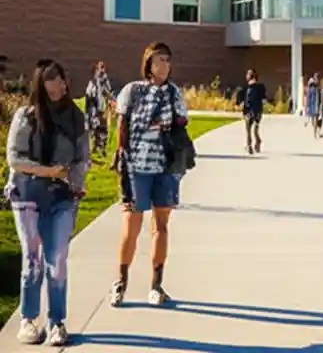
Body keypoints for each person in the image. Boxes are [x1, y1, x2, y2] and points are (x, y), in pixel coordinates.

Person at [5, 61, 89, 346]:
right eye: (49, 80)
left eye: (59, 79)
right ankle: (29, 320)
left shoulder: (76, 117)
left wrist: (76, 181)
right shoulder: (25, 116)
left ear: (66, 82)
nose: (55, 85)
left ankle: (57, 322)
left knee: (58, 261)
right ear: (40, 85)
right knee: (32, 260)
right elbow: (14, 158)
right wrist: (49, 171)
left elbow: (82, 158)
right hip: (27, 195)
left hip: (61, 197)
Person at [109, 42, 192, 308]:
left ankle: (156, 285)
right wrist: (122, 156)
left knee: (161, 226)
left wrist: (162, 125)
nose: (164, 65)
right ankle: (120, 282)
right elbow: (125, 126)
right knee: (130, 228)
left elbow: (179, 122)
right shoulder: (133, 91)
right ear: (148, 64)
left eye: (168, 60)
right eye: (159, 60)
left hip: (165, 167)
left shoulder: (174, 93)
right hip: (137, 167)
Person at [83, 61, 114, 157]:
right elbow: (88, 96)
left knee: (103, 128)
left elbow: (109, 93)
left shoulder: (104, 81)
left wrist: (110, 102)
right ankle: (95, 147)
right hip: (94, 108)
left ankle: (102, 147)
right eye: (99, 68)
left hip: (102, 108)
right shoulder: (92, 82)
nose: (101, 70)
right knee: (95, 127)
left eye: (103, 68)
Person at [237, 68, 267, 154]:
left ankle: (249, 146)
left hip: (248, 111)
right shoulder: (261, 87)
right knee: (255, 129)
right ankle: (257, 142)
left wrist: (240, 104)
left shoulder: (244, 87)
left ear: (249, 76)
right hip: (258, 111)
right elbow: (264, 100)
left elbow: (240, 100)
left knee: (248, 129)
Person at [305, 73, 323, 139]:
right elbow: (308, 98)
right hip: (313, 106)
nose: (318, 80)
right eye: (317, 78)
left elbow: (320, 98)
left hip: (316, 106)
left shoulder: (318, 88)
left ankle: (316, 133)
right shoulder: (312, 88)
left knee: (316, 119)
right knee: (314, 120)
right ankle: (316, 133)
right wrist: (307, 107)